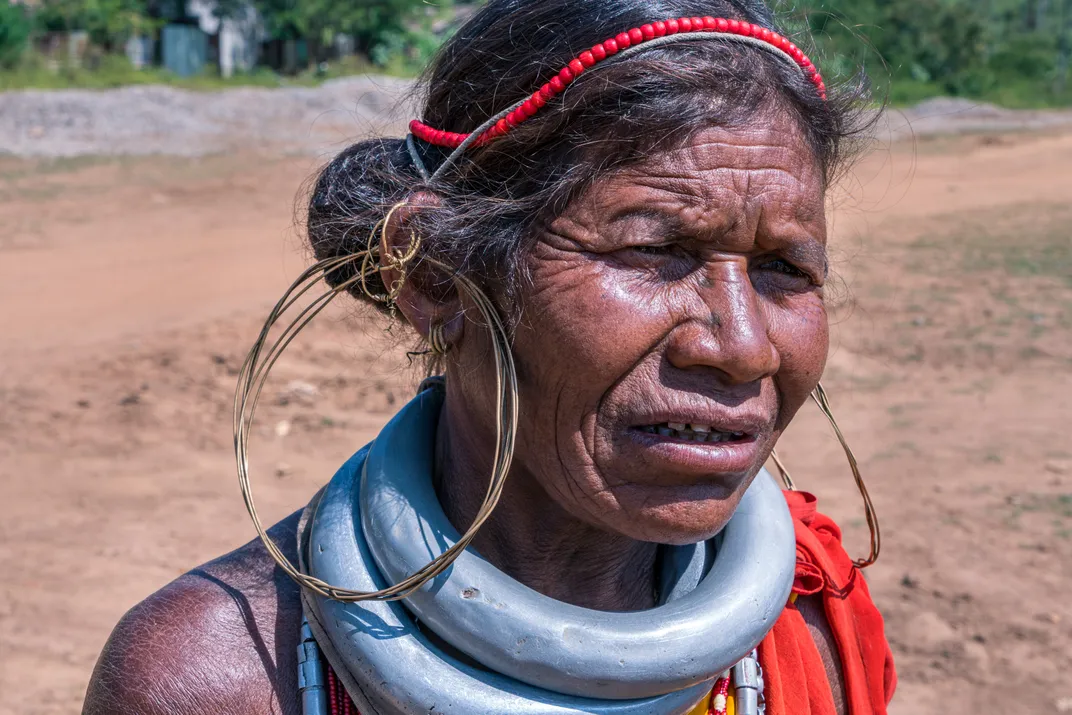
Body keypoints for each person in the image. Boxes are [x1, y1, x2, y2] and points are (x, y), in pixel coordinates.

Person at [83, 1, 896, 714]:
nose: (744, 346)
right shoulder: (220, 678)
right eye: (658, 250)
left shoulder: (811, 613)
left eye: (784, 269)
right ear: (436, 274)